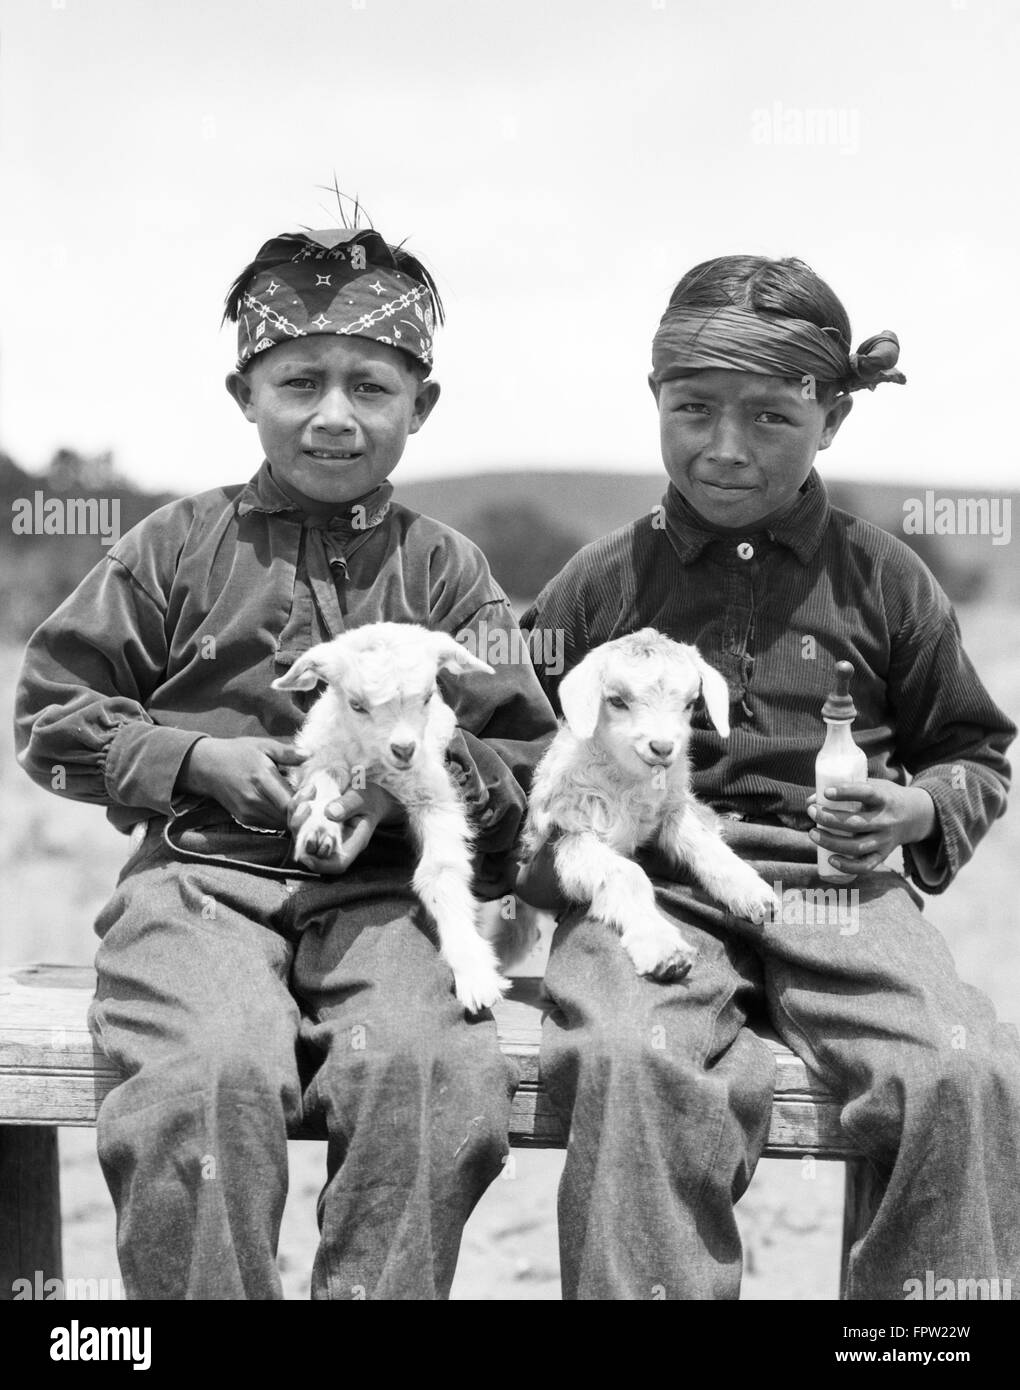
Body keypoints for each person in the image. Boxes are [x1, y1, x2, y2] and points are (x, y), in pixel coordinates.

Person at [15, 219, 557, 1300]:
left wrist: (436, 772)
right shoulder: (171, 549)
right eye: (299, 380)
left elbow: (527, 764)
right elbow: (49, 714)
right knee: (201, 1078)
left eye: (371, 386)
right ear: (244, 393)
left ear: (422, 407)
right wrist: (191, 762)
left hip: (387, 899)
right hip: (197, 889)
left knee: (432, 1074)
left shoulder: (450, 576)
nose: (333, 415)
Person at [517, 254, 1019, 1301]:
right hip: (651, 890)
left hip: (842, 891)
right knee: (630, 1051)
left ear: (831, 416)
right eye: (694, 409)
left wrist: (915, 807)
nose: (726, 448)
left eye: (771, 419)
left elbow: (970, 748)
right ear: (655, 400)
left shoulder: (885, 579)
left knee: (963, 1072)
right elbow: (518, 735)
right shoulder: (603, 580)